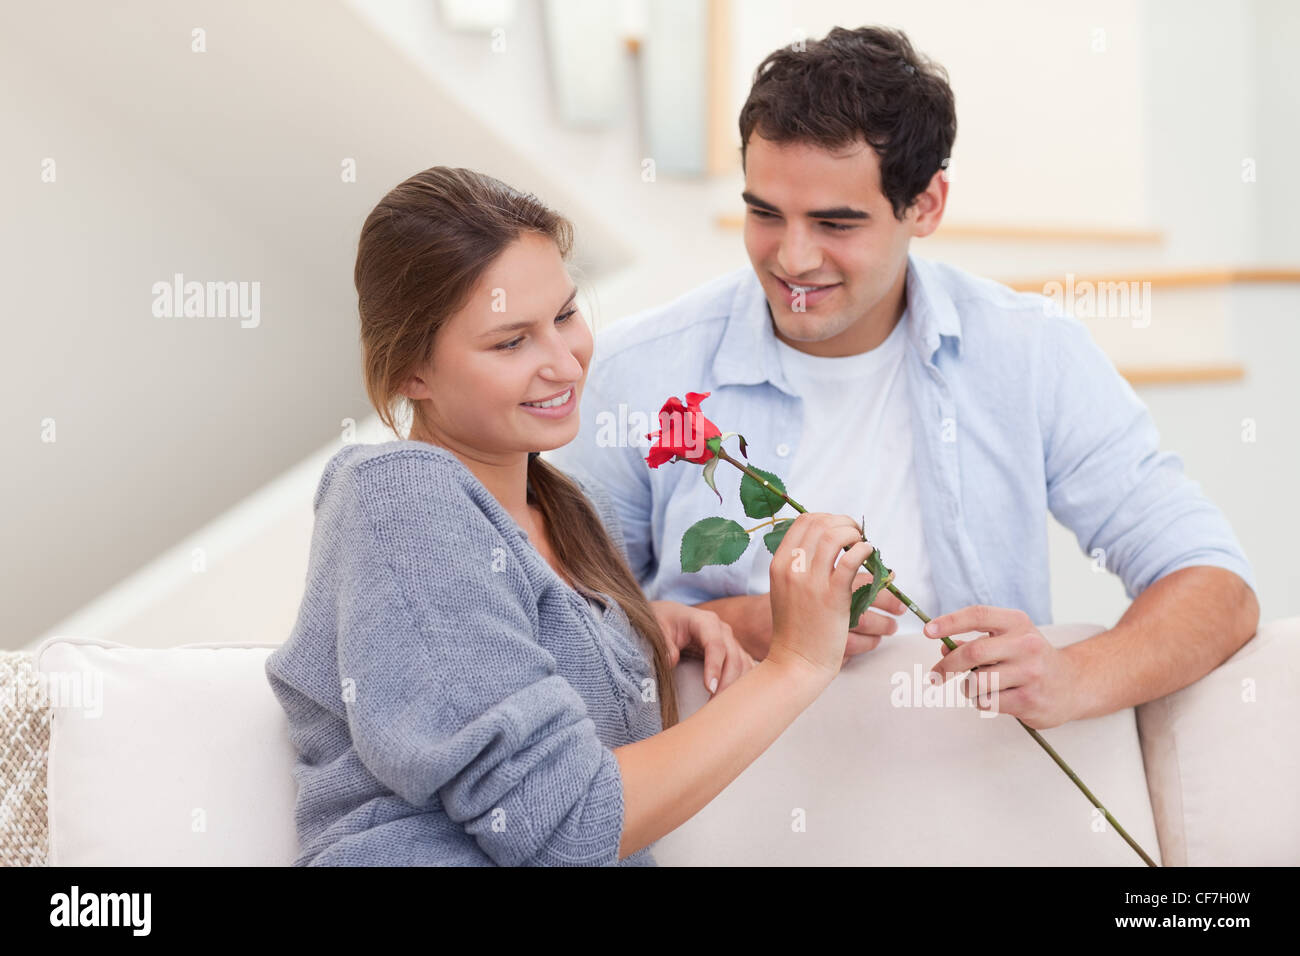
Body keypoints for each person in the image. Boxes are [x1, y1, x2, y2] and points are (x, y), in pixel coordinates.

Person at [545, 25, 1259, 732]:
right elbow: (554, 633)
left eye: (836, 224)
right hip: (727, 796)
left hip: (976, 783)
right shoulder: (638, 371)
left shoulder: (1032, 355)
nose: (792, 258)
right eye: (765, 213)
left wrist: (1075, 676)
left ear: (925, 205)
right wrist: (746, 623)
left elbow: (1216, 587)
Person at [264, 165, 876, 866]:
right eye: (510, 342)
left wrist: (639, 626)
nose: (565, 362)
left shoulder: (573, 511)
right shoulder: (398, 499)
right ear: (412, 374)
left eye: (563, 315)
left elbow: (494, 646)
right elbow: (565, 827)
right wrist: (797, 665)